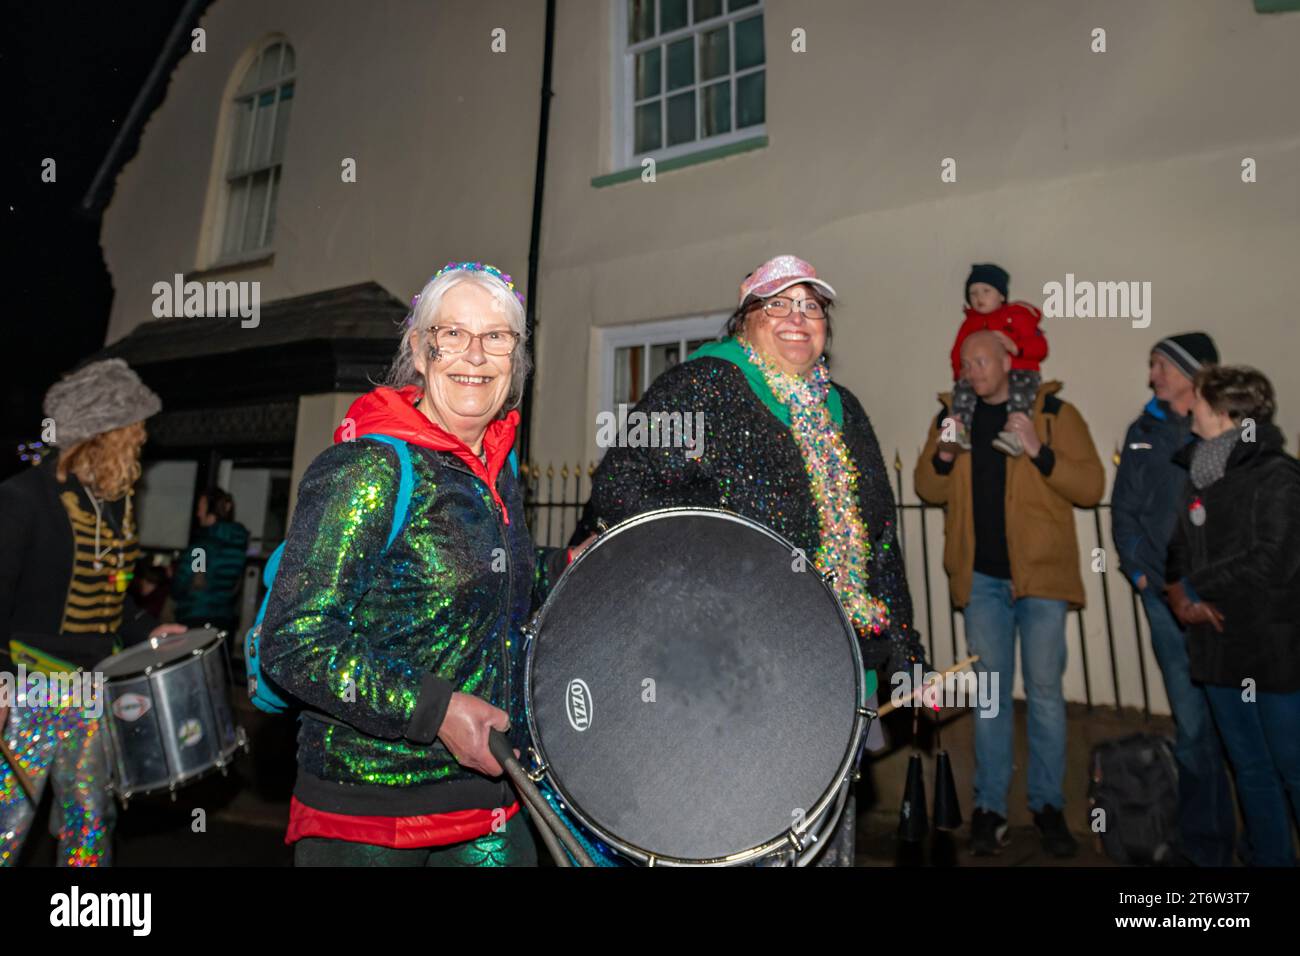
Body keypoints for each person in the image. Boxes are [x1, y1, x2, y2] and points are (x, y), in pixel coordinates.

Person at [582, 253, 924, 867]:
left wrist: (903, 645)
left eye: (811, 306)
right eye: (778, 305)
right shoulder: (704, 385)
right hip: (731, 675)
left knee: (821, 841)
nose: (798, 318)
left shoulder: (844, 409)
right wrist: (709, 580)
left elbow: (880, 540)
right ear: (745, 320)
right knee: (741, 837)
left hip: (835, 669)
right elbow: (621, 488)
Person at [260, 262, 580, 867]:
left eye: (496, 337)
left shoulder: (496, 467)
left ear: (516, 358)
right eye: (452, 333)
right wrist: (434, 711)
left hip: (491, 797)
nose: (475, 355)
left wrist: (570, 563)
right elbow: (294, 640)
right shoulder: (367, 468)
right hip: (372, 812)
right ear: (419, 347)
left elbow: (490, 580)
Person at [914, 331, 1104, 858]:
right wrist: (946, 455)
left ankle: (1047, 808)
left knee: (1044, 693)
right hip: (982, 581)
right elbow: (926, 489)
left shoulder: (1052, 412)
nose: (971, 369)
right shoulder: (953, 416)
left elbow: (1092, 488)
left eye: (980, 359)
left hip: (1041, 578)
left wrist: (1041, 453)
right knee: (991, 696)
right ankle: (990, 810)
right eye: (965, 361)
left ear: (1005, 359)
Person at [0, 359, 186, 866]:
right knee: (5, 827)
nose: (143, 439)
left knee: (90, 825)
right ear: (103, 432)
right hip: (25, 694)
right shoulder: (22, 498)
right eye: (134, 428)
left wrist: (149, 629)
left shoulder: (111, 505)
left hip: (89, 690)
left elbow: (112, 599)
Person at [1111, 332, 1238, 867]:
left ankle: (1259, 847)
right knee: (1191, 727)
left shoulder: (1222, 427)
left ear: (1192, 373)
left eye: (1161, 365)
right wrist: (1146, 579)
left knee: (1238, 726)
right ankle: (1205, 850)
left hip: (1222, 602)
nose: (1152, 375)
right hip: (1164, 600)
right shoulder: (1142, 430)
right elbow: (1124, 514)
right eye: (1152, 365)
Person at [1166, 365, 1300, 867]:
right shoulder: (1199, 471)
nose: (1186, 410)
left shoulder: (1279, 475)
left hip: (1272, 651)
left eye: (1196, 402)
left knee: (1292, 767)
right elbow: (1178, 547)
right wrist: (1179, 592)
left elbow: (1274, 558)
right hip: (1219, 650)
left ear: (1224, 414)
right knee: (1249, 769)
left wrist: (1196, 587)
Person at [947, 264, 1048, 457]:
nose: (979, 297)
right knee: (960, 397)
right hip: (977, 379)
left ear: (1002, 295)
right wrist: (960, 373)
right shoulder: (969, 325)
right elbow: (956, 353)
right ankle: (956, 433)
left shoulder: (1018, 317)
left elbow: (1040, 347)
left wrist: (1017, 347)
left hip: (1022, 370)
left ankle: (1015, 435)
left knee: (1021, 398)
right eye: (973, 293)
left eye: (986, 291)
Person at [171, 487, 249, 634]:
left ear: (210, 510)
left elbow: (186, 582)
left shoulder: (201, 548)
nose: (198, 514)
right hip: (223, 618)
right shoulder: (238, 545)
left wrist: (173, 578)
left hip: (196, 616)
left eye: (201, 508)